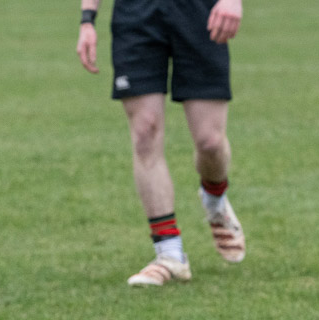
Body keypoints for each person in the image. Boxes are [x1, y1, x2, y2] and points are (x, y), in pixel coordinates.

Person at [76, 0, 247, 287]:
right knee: (145, 133)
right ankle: (169, 253)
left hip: (199, 13)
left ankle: (214, 198)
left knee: (210, 142)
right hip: (136, 16)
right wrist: (87, 20)